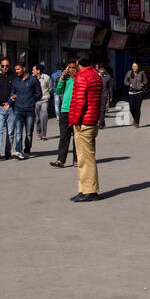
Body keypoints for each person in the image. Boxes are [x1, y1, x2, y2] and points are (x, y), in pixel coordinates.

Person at [68, 52, 103, 202]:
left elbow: (79, 101)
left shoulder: (82, 77)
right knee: (86, 157)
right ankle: (84, 189)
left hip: (84, 122)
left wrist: (75, 121)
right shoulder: (95, 75)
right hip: (92, 120)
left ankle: (89, 190)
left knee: (85, 158)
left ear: (77, 62)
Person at [9, 64, 43, 159]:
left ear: (23, 69)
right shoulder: (15, 82)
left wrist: (31, 100)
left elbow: (39, 93)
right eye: (15, 69)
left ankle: (27, 150)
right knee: (18, 131)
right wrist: (13, 97)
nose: (16, 71)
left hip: (29, 110)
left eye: (18, 69)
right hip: (18, 110)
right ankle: (18, 151)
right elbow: (12, 93)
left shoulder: (33, 80)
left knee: (29, 132)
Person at [48, 61, 78, 169]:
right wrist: (61, 79)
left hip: (76, 111)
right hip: (65, 110)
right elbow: (59, 91)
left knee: (77, 137)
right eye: (69, 68)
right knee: (64, 137)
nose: (71, 70)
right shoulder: (64, 79)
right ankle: (60, 159)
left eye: (73, 68)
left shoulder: (79, 79)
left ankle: (76, 159)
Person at [124, 62, 148, 127]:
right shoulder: (129, 73)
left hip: (140, 92)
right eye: (133, 66)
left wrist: (142, 84)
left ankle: (137, 122)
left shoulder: (142, 72)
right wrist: (129, 84)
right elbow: (125, 81)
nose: (134, 68)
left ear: (138, 67)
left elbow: (146, 81)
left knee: (137, 108)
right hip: (131, 92)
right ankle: (135, 118)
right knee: (131, 108)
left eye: (135, 66)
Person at [33, 64, 53, 140]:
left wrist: (47, 94)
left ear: (38, 71)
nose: (33, 71)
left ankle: (44, 134)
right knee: (37, 118)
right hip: (36, 101)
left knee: (44, 116)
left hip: (45, 99)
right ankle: (39, 133)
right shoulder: (32, 78)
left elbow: (50, 88)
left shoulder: (46, 77)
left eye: (34, 69)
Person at [98, 62, 114, 128]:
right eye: (100, 70)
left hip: (104, 95)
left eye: (103, 70)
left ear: (104, 70)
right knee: (98, 110)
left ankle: (100, 124)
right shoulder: (95, 76)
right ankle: (102, 121)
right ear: (98, 70)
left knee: (102, 109)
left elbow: (110, 88)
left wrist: (110, 96)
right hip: (96, 96)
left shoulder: (108, 77)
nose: (101, 71)